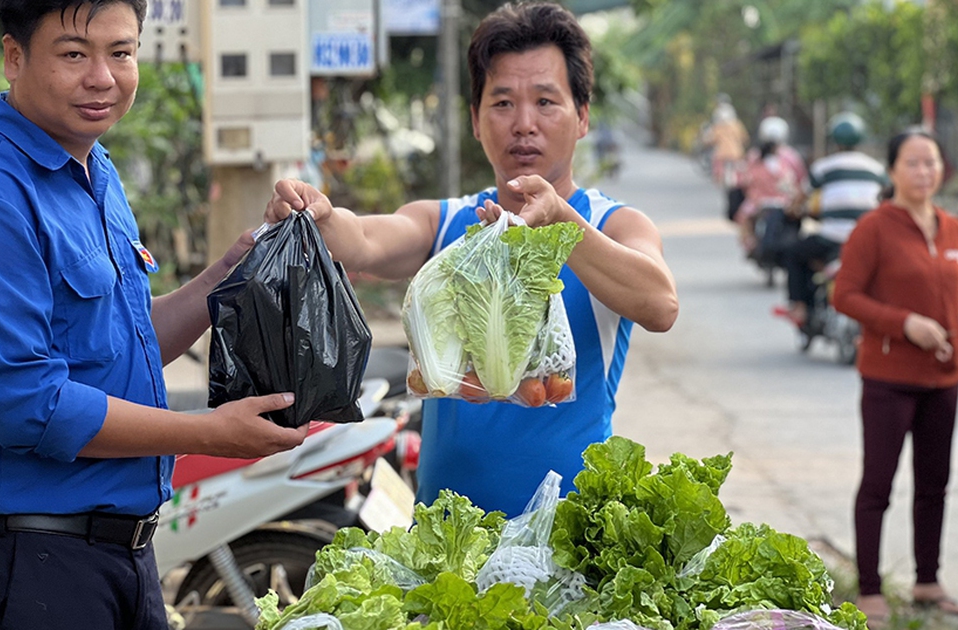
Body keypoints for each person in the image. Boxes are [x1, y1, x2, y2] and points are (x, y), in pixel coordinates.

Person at [0, 2, 308, 628]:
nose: (103, 77)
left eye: (121, 53)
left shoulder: (94, 170)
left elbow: (125, 344)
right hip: (29, 565)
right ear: (15, 57)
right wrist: (210, 433)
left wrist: (243, 261)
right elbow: (25, 403)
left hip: (120, 558)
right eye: (74, 54)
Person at [266, 2, 678, 516]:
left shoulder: (611, 225)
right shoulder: (448, 223)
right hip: (447, 544)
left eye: (546, 101)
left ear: (583, 117)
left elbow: (660, 304)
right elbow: (368, 240)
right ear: (477, 122)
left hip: (570, 543)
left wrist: (561, 223)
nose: (523, 124)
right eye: (502, 103)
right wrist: (322, 217)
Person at [834, 130, 958, 627]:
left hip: (943, 378)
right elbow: (844, 295)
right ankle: (870, 589)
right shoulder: (874, 228)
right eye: (913, 163)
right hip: (888, 378)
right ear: (892, 171)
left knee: (935, 483)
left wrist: (950, 336)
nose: (924, 172)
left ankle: (927, 581)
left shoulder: (953, 228)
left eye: (931, 162)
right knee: (878, 484)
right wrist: (904, 324)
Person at [784, 112, 885, 326]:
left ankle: (800, 306)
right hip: (866, 241)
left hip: (830, 238)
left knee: (793, 253)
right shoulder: (876, 169)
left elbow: (800, 198)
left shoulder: (823, 167)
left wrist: (793, 209)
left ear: (834, 141)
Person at [735, 116, 804, 253]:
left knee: (744, 217)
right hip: (785, 202)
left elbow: (743, 179)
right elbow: (801, 179)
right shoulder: (791, 156)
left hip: (757, 203)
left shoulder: (754, 156)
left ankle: (750, 244)